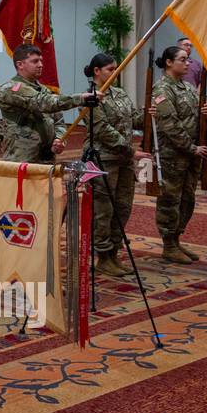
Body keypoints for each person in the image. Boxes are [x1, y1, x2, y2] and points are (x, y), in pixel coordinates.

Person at [84, 53, 147, 278]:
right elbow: (101, 129)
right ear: (97, 71)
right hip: (104, 159)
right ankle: (102, 255)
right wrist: (130, 150)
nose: (115, 72)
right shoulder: (91, 96)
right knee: (104, 209)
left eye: (116, 68)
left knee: (122, 207)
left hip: (123, 161)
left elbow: (133, 120)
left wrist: (148, 114)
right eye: (110, 69)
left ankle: (114, 252)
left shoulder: (119, 93)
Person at [149, 46, 207, 264]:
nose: (187, 63)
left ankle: (176, 239)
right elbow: (170, 125)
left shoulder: (187, 87)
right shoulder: (162, 90)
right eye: (183, 59)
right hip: (173, 154)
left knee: (187, 198)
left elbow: (197, 118)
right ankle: (168, 244)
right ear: (169, 62)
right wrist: (191, 147)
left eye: (188, 60)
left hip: (192, 154)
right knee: (170, 199)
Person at [0, 44, 94, 163]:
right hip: (22, 160)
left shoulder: (44, 90)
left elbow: (59, 121)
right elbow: (43, 102)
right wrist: (80, 98)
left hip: (47, 157)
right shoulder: (11, 89)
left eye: (41, 61)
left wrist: (59, 139)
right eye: (35, 61)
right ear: (20, 64)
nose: (40, 65)